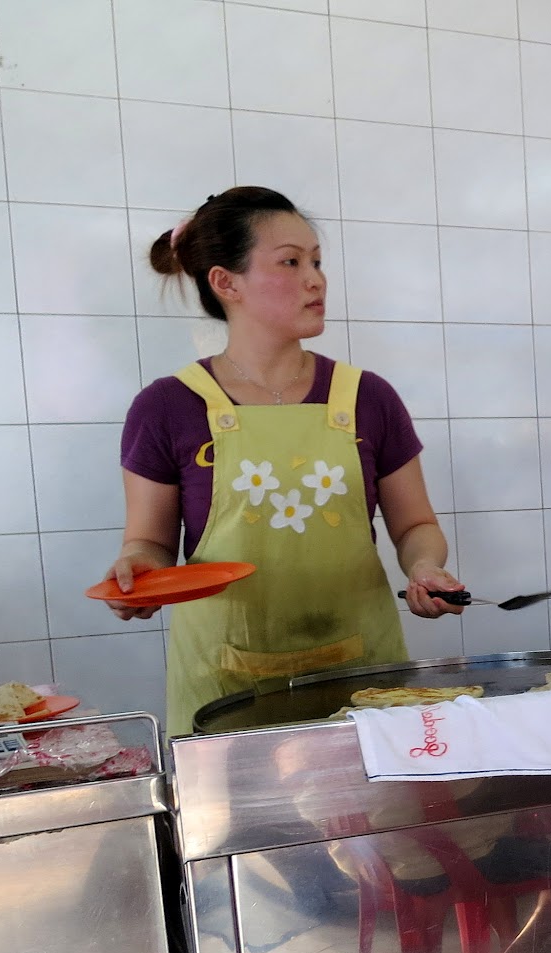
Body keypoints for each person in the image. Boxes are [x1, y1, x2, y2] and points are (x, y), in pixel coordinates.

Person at [101, 187, 463, 736]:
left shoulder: (368, 397)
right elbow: (148, 541)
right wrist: (140, 572)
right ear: (226, 283)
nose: (315, 279)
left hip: (364, 673)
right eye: (290, 262)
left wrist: (424, 567)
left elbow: (415, 524)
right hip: (225, 684)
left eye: (316, 261)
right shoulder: (167, 407)